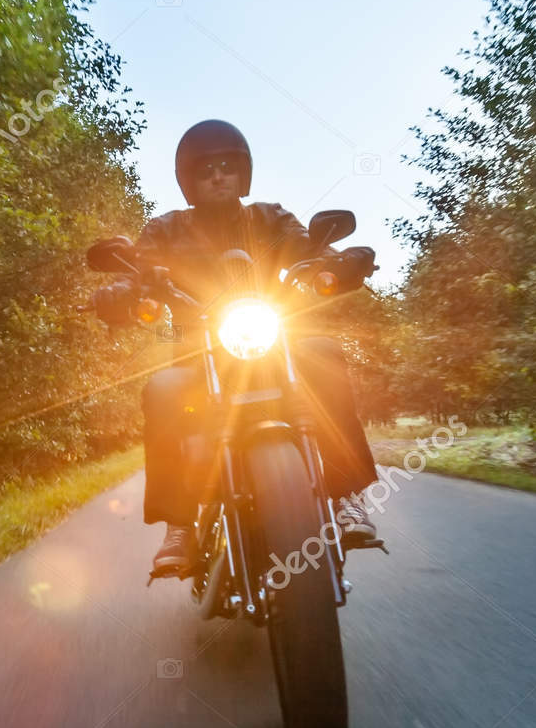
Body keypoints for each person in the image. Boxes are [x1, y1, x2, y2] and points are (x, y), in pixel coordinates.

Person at [93, 119, 382, 577]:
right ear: (188, 180)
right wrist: (123, 291)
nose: (217, 175)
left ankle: (346, 495)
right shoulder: (166, 229)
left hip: (272, 342)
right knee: (163, 390)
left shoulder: (269, 218)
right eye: (205, 169)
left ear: (242, 173)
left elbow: (308, 251)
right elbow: (140, 271)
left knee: (323, 353)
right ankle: (181, 524)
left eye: (227, 166)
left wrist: (341, 263)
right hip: (196, 352)